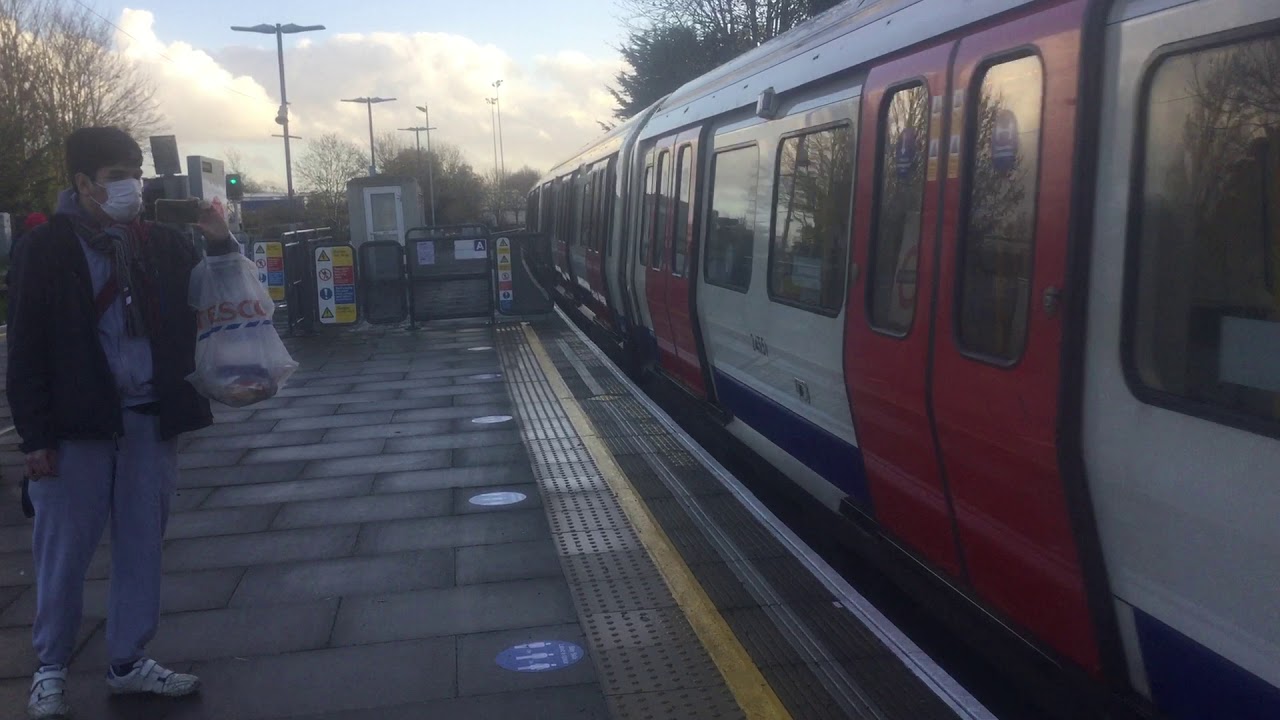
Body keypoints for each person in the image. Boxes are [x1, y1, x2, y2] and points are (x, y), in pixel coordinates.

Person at [7, 127, 239, 720]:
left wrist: (219, 240)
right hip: (73, 428)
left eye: (135, 174)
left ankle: (128, 660)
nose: (131, 187)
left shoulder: (161, 243)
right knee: (63, 554)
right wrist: (34, 438)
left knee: (142, 548)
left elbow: (212, 297)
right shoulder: (46, 248)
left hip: (145, 421)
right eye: (116, 177)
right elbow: (27, 349)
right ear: (83, 184)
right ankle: (51, 668)